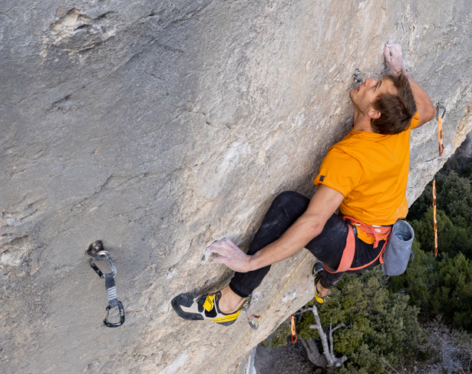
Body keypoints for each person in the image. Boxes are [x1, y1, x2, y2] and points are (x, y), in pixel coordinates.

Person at [172, 41, 434, 324]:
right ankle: (325, 285)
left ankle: (229, 303)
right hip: (375, 236)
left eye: (374, 87)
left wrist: (249, 262)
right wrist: (399, 71)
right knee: (337, 245)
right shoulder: (397, 125)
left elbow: (313, 224)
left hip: (357, 245)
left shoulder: (349, 158)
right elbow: (428, 111)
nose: (368, 80)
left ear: (374, 113)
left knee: (288, 206)